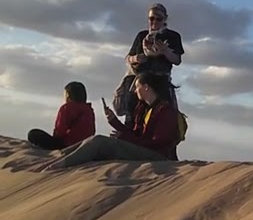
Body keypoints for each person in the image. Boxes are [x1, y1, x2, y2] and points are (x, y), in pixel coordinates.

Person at [41, 72, 182, 171]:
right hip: (143, 150)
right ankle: (61, 155)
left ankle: (60, 165)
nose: (134, 90)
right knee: (95, 140)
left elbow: (156, 143)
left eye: (137, 86)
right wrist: (114, 121)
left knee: (100, 142)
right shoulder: (143, 109)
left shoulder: (166, 112)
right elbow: (135, 134)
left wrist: (124, 138)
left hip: (156, 157)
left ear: (146, 87)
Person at [118, 3, 184, 126]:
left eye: (158, 18)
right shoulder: (142, 35)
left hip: (161, 81)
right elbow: (128, 58)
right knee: (132, 116)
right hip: (141, 81)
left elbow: (177, 60)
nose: (154, 22)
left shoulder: (173, 36)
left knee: (162, 117)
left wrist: (166, 51)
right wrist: (136, 58)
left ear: (165, 19)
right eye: (151, 18)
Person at [27, 81, 96, 150]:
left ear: (68, 96)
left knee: (33, 134)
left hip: (67, 145)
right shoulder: (89, 110)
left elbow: (60, 130)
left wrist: (55, 138)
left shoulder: (67, 108)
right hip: (86, 146)